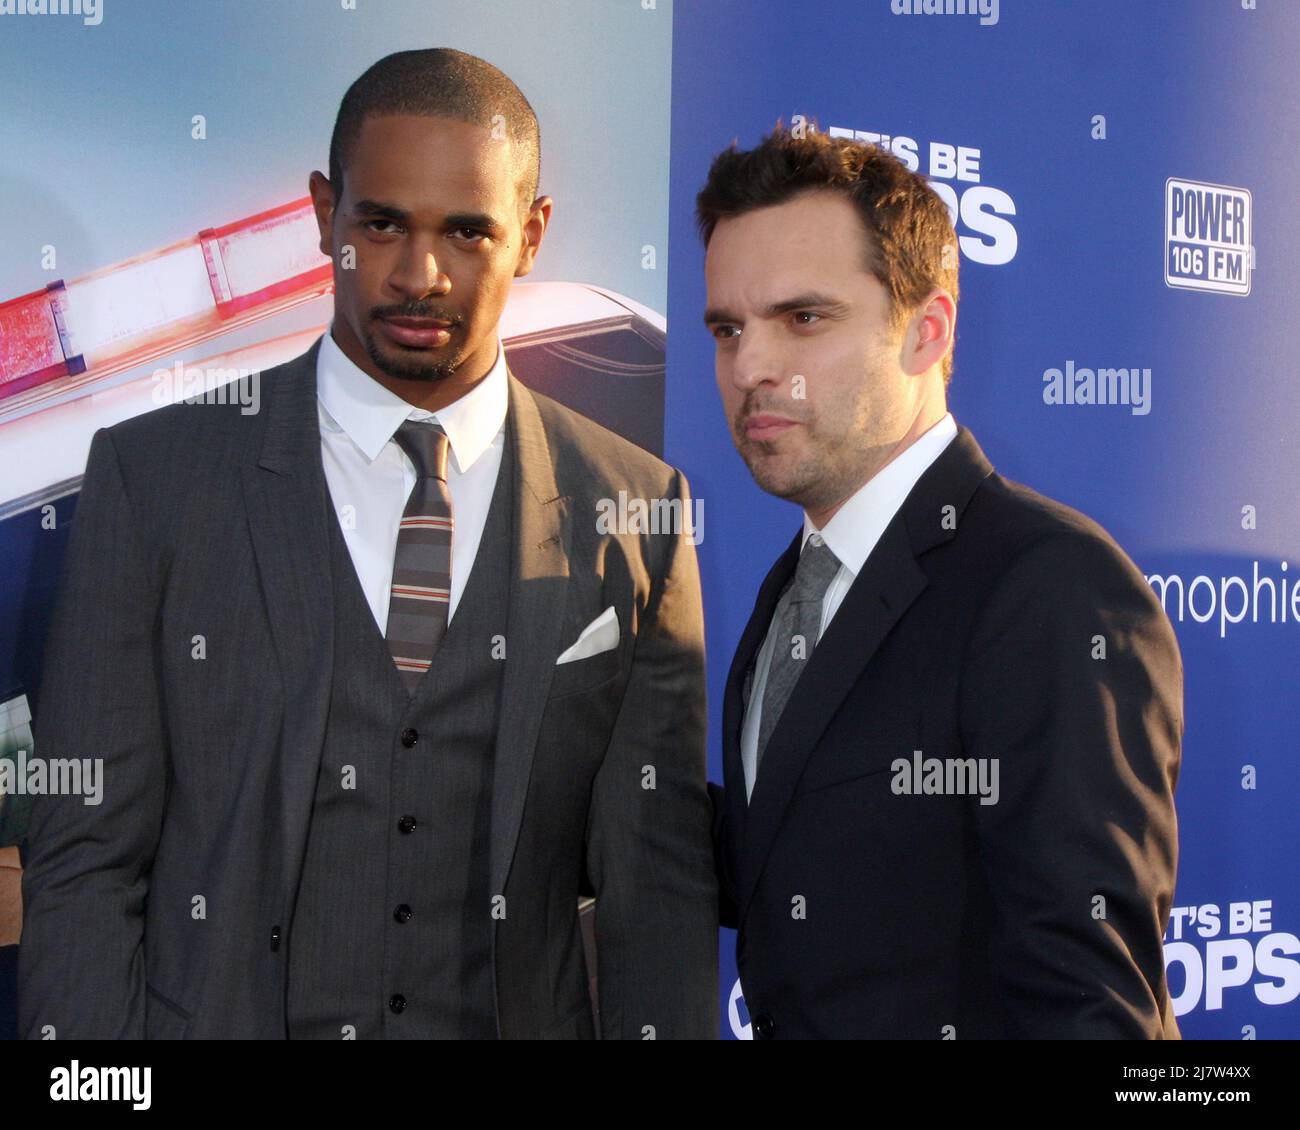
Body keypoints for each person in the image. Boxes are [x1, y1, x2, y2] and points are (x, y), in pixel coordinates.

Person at [19, 48, 716, 1040]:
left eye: (467, 232)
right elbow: (85, 857)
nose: (418, 275)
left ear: (532, 234)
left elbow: (659, 883)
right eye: (381, 222)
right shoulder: (155, 480)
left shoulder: (634, 507)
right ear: (322, 213)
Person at [699, 126, 1182, 1039]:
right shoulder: (793, 585)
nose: (751, 368)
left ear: (928, 331)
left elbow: (1089, 1004)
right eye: (728, 328)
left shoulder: (1050, 586)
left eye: (803, 318)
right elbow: (808, 855)